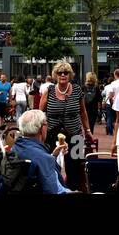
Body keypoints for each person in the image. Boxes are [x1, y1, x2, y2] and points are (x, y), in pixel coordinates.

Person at [43, 61, 92, 191]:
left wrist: (87, 130)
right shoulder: (49, 90)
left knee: (76, 167)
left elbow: (83, 112)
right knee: (51, 165)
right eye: (60, 72)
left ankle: (75, 190)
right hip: (52, 134)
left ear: (70, 75)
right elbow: (40, 113)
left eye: (66, 72)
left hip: (76, 134)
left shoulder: (77, 89)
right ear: (55, 75)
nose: (63, 75)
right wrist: (41, 132)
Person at [11, 109, 71, 194]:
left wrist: (54, 155)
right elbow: (52, 190)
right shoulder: (44, 157)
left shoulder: (15, 148)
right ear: (41, 129)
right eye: (46, 124)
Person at [102, 69, 119, 137]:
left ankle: (110, 132)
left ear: (115, 75)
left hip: (114, 104)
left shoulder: (113, 84)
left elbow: (110, 95)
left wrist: (107, 102)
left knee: (111, 118)